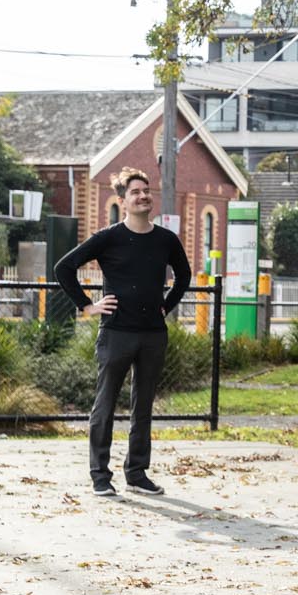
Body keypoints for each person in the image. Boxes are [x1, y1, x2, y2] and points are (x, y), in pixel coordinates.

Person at [53, 167, 191, 497]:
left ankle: (137, 473)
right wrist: (87, 306)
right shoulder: (109, 237)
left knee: (143, 407)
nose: (143, 196)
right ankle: (100, 476)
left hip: (153, 335)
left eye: (147, 191)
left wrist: (166, 305)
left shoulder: (166, 239)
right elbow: (64, 268)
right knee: (105, 405)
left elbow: (183, 276)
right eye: (135, 192)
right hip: (116, 333)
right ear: (122, 200)